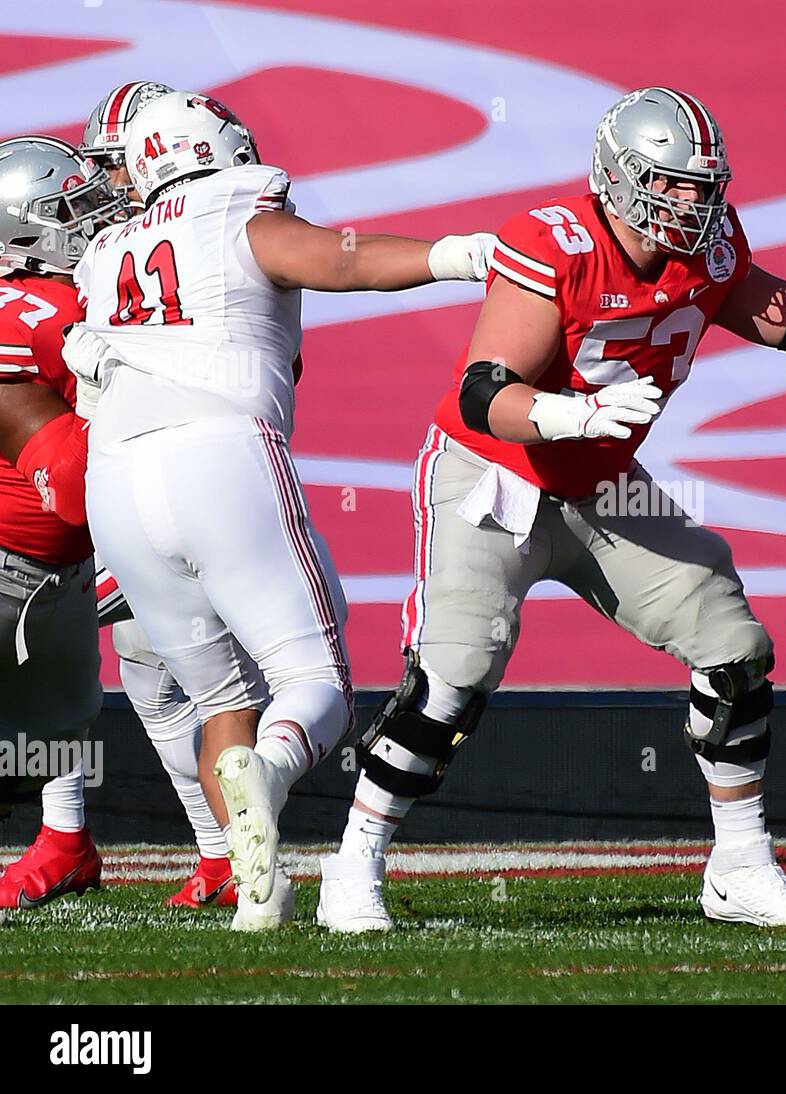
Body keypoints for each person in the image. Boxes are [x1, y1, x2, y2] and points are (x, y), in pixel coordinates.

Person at [317, 86, 786, 933]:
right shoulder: (555, 242)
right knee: (452, 683)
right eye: (674, 184)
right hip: (495, 481)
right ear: (620, 178)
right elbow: (485, 395)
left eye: (705, 185)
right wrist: (570, 414)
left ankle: (738, 863)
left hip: (600, 487)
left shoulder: (709, 248)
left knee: (733, 651)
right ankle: (353, 864)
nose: (696, 202)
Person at [67, 90, 494, 930]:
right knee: (316, 682)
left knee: (220, 698)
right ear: (206, 150)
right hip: (218, 453)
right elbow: (333, 259)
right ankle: (266, 771)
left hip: (116, 479)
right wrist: (456, 254)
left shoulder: (101, 254)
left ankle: (257, 895)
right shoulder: (232, 204)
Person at [0, 80, 241, 911]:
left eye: (115, 177)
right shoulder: (71, 284)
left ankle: (225, 851)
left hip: (159, 479)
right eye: (96, 180)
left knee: (159, 670)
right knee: (65, 667)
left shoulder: (193, 242)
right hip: (83, 497)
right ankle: (65, 836)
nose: (109, 198)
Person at [0, 137, 125, 904]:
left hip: (59, 562)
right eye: (72, 210)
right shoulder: (43, 306)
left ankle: (67, 844)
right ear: (23, 229)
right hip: (25, 549)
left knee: (60, 727)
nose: (97, 218)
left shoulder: (84, 290)